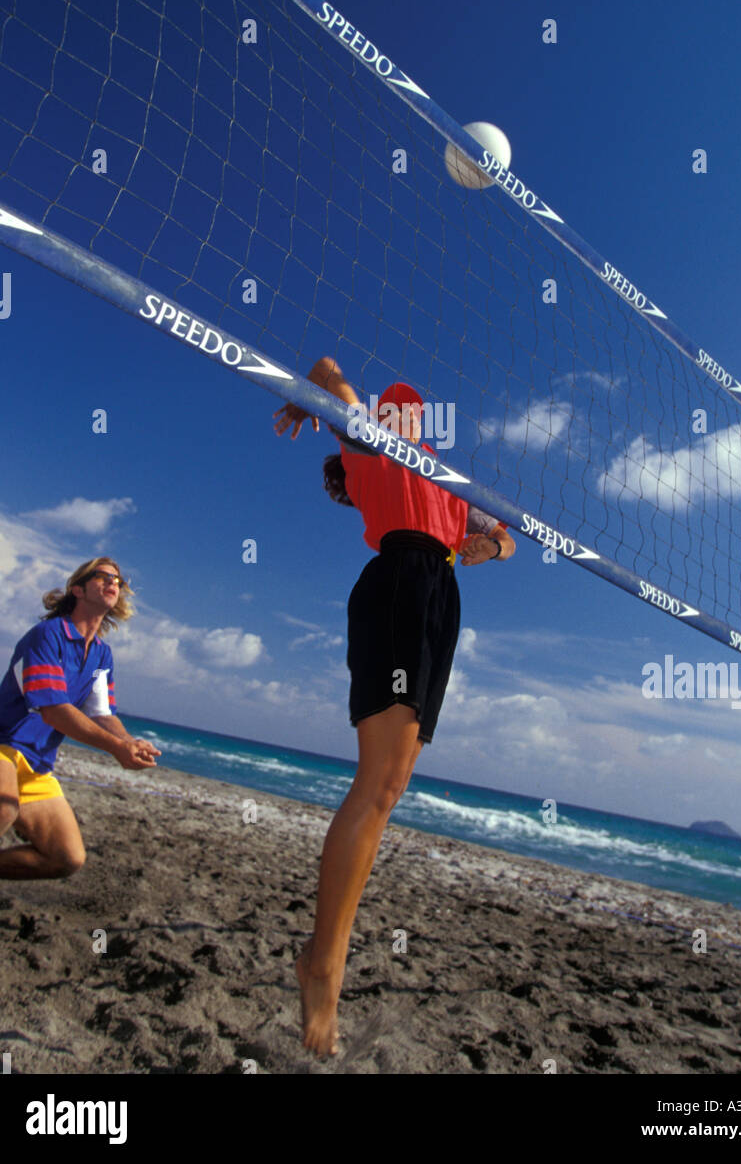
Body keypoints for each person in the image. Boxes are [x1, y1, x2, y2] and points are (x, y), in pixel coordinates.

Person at [274, 356, 515, 1056]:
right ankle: (323, 966)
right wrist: (301, 398)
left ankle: (322, 956)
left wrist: (489, 547)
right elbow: (325, 367)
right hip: (400, 581)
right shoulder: (366, 441)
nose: (407, 412)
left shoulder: (448, 481)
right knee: (376, 785)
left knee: (390, 789)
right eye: (395, 409)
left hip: (442, 590)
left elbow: (509, 537)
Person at [0, 557, 160, 881]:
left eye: (118, 580)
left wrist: (129, 741)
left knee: (67, 858)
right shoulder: (47, 635)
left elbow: (102, 713)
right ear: (78, 589)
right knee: (2, 809)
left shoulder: (102, 654)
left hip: (37, 763)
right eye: (103, 577)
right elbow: (55, 710)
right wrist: (116, 749)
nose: (113, 584)